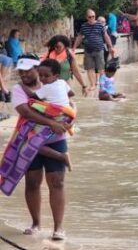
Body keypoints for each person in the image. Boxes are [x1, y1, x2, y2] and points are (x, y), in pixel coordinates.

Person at [10, 56, 71, 241]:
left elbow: (70, 102)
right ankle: (36, 223)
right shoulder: (18, 89)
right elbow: (26, 112)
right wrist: (52, 123)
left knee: (57, 183)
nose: (24, 74)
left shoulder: (58, 84)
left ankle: (58, 228)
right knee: (32, 182)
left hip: (56, 139)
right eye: (21, 71)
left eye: (28, 70)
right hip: (30, 138)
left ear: (39, 69)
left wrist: (70, 117)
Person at [17, 59, 74, 171]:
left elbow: (33, 96)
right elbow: (71, 93)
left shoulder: (47, 88)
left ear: (56, 75)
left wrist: (21, 86)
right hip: (66, 116)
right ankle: (62, 154)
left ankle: (62, 156)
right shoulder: (62, 82)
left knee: (30, 144)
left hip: (56, 117)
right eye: (40, 75)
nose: (42, 79)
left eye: (46, 76)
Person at [73, 9, 113, 93]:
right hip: (88, 50)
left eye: (93, 16)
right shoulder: (84, 26)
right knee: (89, 68)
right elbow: (79, 37)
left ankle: (102, 86)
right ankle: (92, 85)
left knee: (101, 69)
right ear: (86, 17)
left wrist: (110, 46)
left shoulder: (100, 25)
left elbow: (106, 36)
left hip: (99, 49)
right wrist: (74, 47)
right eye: (90, 17)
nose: (92, 18)